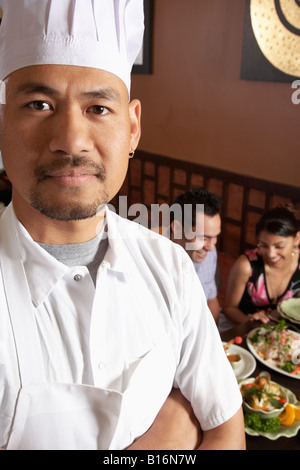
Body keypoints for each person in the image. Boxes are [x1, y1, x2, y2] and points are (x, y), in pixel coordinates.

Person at [0, 0, 245, 450]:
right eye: (38, 103)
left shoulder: (168, 265)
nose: (71, 140)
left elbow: (226, 427)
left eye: (98, 108)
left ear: (132, 129)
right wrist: (165, 440)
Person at [223, 206, 300, 326]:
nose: (271, 254)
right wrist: (252, 323)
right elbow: (229, 308)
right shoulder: (246, 265)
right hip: (243, 326)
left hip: (280, 329)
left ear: (297, 239)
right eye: (263, 245)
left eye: (279, 246)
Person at [169, 188, 222, 323]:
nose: (211, 247)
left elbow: (211, 300)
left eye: (215, 237)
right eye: (203, 238)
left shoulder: (208, 252)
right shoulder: (151, 258)